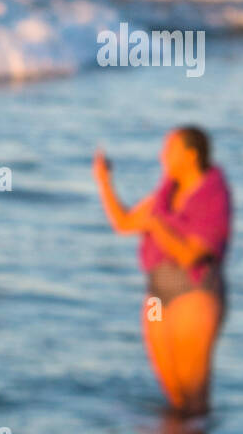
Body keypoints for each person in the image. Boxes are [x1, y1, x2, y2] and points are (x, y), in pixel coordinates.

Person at [93, 128, 232, 415]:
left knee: (194, 395)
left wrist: (157, 225)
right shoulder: (164, 197)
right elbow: (124, 223)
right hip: (157, 296)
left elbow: (189, 255)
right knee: (173, 395)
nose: (162, 156)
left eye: (169, 149)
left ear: (191, 155)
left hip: (195, 291)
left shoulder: (213, 197)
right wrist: (104, 182)